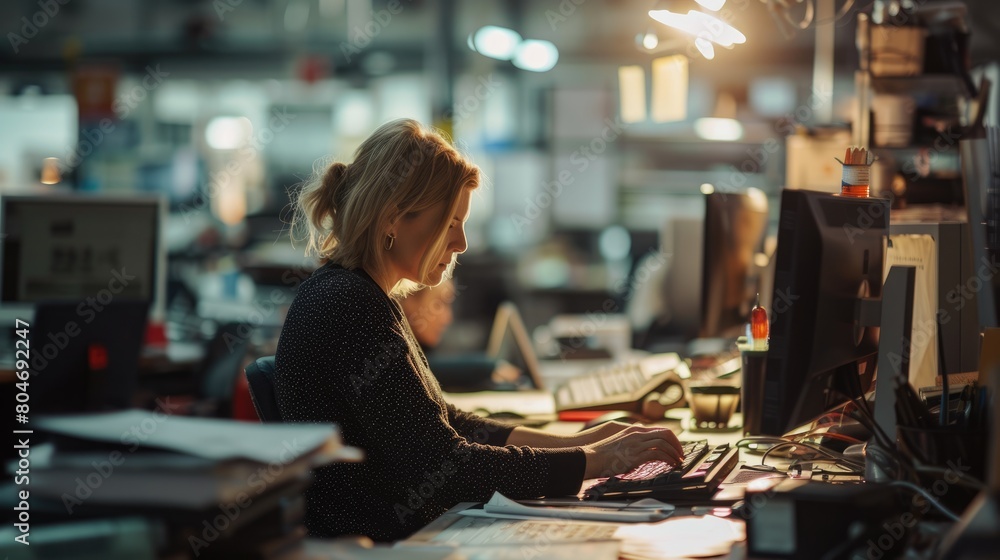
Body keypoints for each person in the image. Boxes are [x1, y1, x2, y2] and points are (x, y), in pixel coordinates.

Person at [275, 118, 684, 542]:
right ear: (393, 220)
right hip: (384, 543)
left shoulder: (362, 295)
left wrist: (575, 442)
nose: (462, 243)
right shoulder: (349, 304)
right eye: (452, 222)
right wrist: (594, 461)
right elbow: (442, 466)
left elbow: (447, 424)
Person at [400, 278, 522, 391]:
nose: (448, 318)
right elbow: (413, 369)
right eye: (439, 304)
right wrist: (487, 368)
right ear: (408, 300)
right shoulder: (392, 354)